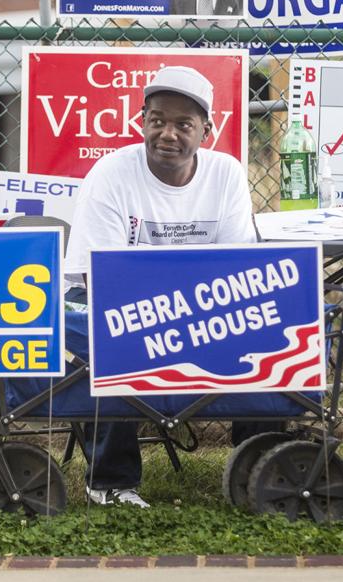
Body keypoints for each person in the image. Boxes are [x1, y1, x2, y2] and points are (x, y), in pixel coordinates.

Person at [64, 65, 258, 508]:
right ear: (142, 122)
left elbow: (238, 270)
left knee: (263, 321)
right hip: (114, 302)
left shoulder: (225, 174)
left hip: (198, 307)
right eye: (157, 121)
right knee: (109, 335)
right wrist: (165, 310)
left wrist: (189, 309)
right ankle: (110, 483)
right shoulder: (111, 173)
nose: (167, 134)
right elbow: (97, 277)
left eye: (183, 124)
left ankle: (257, 466)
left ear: (206, 131)